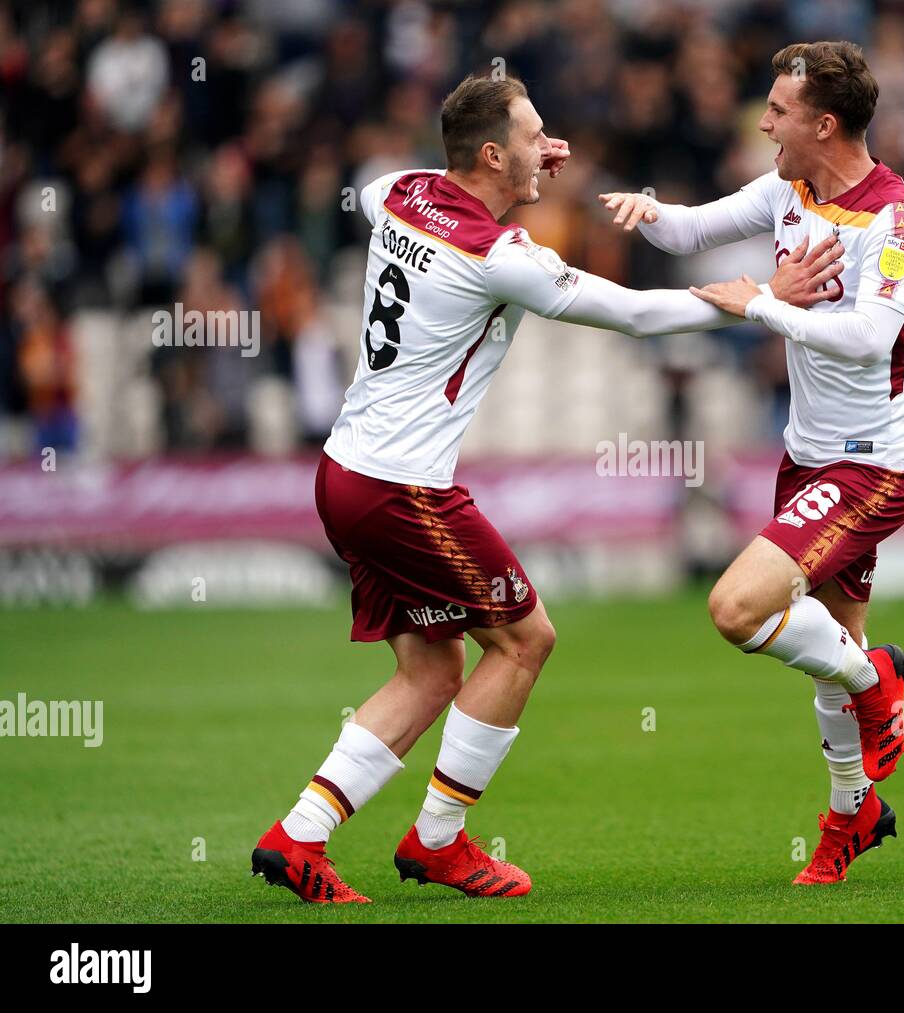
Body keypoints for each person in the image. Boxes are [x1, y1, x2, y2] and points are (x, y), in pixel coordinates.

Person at [251, 72, 738, 903]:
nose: (551, 148)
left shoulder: (399, 191)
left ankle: (297, 837)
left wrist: (517, 164)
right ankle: (439, 841)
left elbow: (376, 190)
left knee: (434, 670)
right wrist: (749, 302)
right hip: (403, 487)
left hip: (343, 474)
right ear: (489, 153)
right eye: (534, 135)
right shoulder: (499, 255)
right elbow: (629, 312)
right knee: (525, 639)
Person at [600, 40, 904, 885]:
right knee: (827, 643)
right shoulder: (788, 189)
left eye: (778, 110)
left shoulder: (896, 223)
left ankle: (877, 680)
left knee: (737, 608)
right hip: (807, 459)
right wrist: (647, 207)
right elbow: (689, 229)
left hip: (874, 468)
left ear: (824, 123)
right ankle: (851, 816)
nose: (763, 122)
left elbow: (867, 339)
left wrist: (764, 308)